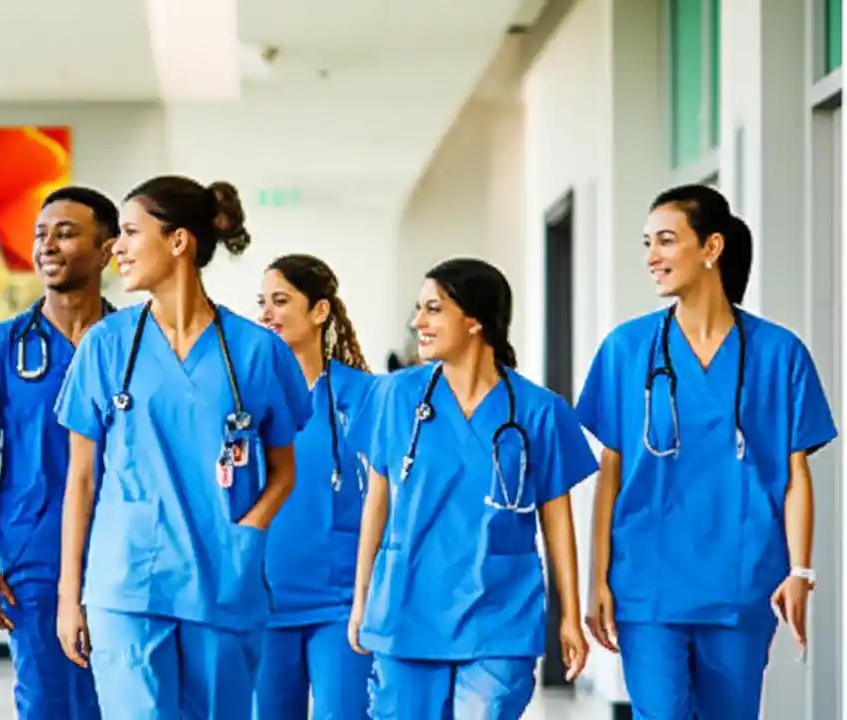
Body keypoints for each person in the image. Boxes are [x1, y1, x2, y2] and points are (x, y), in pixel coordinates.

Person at [52, 175, 313, 719]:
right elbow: (80, 478)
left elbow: (285, 470)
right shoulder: (107, 345)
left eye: (128, 232)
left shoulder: (256, 351)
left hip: (221, 580)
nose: (114, 247)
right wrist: (67, 594)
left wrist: (248, 530)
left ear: (178, 241)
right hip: (125, 583)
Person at [576, 185, 837, 719]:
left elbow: (795, 474)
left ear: (712, 247)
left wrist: (801, 572)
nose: (652, 257)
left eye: (666, 241)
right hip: (646, 584)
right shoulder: (626, 350)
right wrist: (595, 579)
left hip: (739, 583)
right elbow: (611, 473)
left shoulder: (778, 353)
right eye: (647, 243)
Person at [349, 258, 593, 718]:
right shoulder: (394, 397)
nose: (418, 322)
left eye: (433, 309)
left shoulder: (540, 412)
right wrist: (361, 599)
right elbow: (376, 505)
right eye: (418, 309)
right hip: (406, 610)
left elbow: (557, 521)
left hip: (498, 612)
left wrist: (569, 616)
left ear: (476, 320)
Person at [0, 186, 117, 719]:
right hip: (32, 554)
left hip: (125, 550)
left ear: (106, 249)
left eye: (66, 233)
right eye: (41, 234)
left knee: (119, 701)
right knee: (46, 702)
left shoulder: (134, 343)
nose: (48, 245)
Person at [252, 254, 376, 719]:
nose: (267, 313)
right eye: (262, 302)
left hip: (340, 602)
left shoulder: (364, 396)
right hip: (264, 598)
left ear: (320, 311)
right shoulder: (247, 396)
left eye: (281, 301)